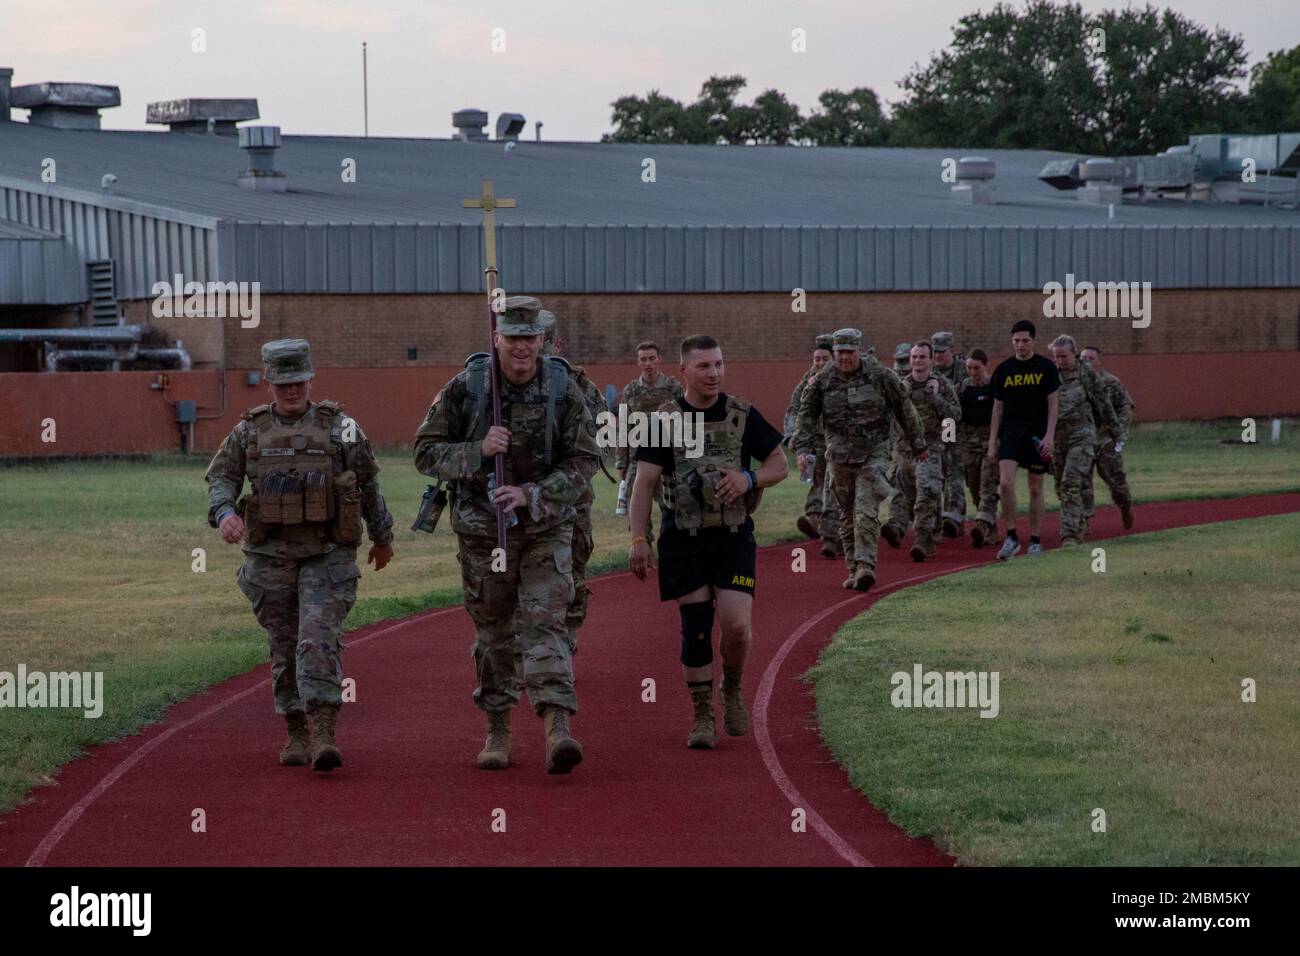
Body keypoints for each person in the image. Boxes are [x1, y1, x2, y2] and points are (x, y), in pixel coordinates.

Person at [413, 296, 599, 774]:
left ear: (542, 339)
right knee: (494, 633)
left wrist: (532, 494)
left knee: (546, 620)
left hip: (545, 527)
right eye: (512, 337)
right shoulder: (467, 388)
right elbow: (425, 452)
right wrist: (476, 451)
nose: (521, 347)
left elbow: (584, 462)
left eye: (529, 337)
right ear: (496, 338)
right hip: (483, 532)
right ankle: (497, 728)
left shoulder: (563, 388)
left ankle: (557, 725)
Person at [205, 338, 394, 772]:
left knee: (317, 637)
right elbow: (221, 479)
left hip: (327, 553)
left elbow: (367, 486)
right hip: (270, 557)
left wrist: (382, 537)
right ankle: (295, 730)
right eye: (282, 383)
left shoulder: (340, 427)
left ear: (310, 378)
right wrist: (225, 513)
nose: (291, 391)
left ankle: (324, 730)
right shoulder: (248, 431)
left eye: (298, 382)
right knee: (284, 645)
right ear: (269, 383)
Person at [627, 334, 788, 750]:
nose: (714, 373)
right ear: (683, 370)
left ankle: (730, 688)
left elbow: (779, 464)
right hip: (684, 537)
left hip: (733, 536)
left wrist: (748, 477)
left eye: (718, 364)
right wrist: (638, 538)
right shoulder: (663, 420)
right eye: (704, 366)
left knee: (736, 625)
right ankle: (701, 712)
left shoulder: (740, 414)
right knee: (696, 629)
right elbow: (644, 484)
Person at [797, 328, 925, 589]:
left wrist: (917, 443)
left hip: (874, 453)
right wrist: (803, 449)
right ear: (834, 354)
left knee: (865, 508)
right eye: (840, 353)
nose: (845, 358)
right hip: (839, 455)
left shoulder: (880, 376)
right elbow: (806, 414)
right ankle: (854, 568)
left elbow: (905, 409)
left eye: (850, 352)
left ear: (859, 351)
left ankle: (866, 565)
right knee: (845, 512)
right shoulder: (823, 381)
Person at [540, 312, 609, 656]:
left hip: (573, 501)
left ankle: (566, 634)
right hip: (521, 502)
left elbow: (605, 439)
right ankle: (526, 648)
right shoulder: (496, 384)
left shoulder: (580, 386)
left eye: (543, 341)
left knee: (573, 573)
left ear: (556, 344)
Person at [988, 320, 1059, 559]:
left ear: (1033, 341)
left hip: (1037, 437)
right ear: (1012, 342)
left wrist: (1050, 436)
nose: (1020, 345)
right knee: (1006, 484)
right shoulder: (1004, 370)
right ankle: (1011, 537)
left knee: (1035, 488)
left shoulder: (1046, 367)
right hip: (1010, 434)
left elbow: (1053, 404)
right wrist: (991, 443)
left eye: (1025, 340)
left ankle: (1036, 540)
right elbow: (997, 409)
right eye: (1016, 341)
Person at [1049, 335, 1121, 547]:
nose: (1060, 361)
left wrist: (1115, 433)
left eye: (1064, 356)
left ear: (1074, 354)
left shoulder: (1086, 373)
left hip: (1082, 435)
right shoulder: (1050, 375)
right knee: (1061, 487)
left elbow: (1103, 404)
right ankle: (1078, 521)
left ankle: (1069, 534)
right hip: (1057, 438)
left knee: (1070, 482)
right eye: (1056, 356)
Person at [890, 342, 960, 562]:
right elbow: (890, 417)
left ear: (930, 360)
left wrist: (936, 397)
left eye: (922, 357)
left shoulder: (941, 384)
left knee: (926, 490)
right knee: (912, 496)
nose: (918, 361)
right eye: (914, 357)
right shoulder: (902, 387)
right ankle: (935, 526)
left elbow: (955, 416)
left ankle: (922, 538)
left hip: (931, 448)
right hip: (905, 451)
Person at [617, 341, 682, 542]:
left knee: (671, 508)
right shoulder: (630, 391)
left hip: (667, 460)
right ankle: (643, 550)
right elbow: (623, 428)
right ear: (638, 362)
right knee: (637, 511)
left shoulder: (674, 388)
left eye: (652, 358)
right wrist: (622, 462)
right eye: (643, 359)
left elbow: (683, 425)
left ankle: (670, 550)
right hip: (638, 460)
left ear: (659, 359)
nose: (648, 364)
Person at [783, 333, 840, 556]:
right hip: (815, 441)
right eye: (816, 359)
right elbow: (794, 409)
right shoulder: (807, 381)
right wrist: (791, 436)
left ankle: (837, 529)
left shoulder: (842, 379)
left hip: (839, 443)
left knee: (834, 485)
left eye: (824, 359)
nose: (819, 363)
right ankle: (815, 519)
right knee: (817, 479)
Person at [1079, 346, 1135, 531]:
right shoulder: (1074, 383)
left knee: (1115, 480)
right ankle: (1083, 520)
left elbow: (1125, 406)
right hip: (1082, 439)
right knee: (1081, 481)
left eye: (1091, 358)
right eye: (1083, 358)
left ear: (1098, 361)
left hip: (1105, 439)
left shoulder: (1110, 382)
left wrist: (1119, 432)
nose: (1086, 361)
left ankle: (1125, 505)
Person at [958, 349, 1001, 547]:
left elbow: (1002, 414)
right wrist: (949, 441)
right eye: (969, 367)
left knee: (988, 485)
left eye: (977, 367)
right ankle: (990, 526)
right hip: (968, 445)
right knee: (974, 486)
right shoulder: (962, 387)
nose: (973, 372)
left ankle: (981, 526)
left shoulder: (994, 386)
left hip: (991, 442)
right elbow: (952, 415)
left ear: (985, 365)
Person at [930, 332, 967, 538]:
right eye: (935, 352)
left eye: (942, 352)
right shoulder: (931, 371)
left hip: (956, 426)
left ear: (951, 350)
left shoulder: (961, 370)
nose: (938, 356)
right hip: (938, 428)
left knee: (954, 470)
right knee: (938, 471)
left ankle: (954, 517)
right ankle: (939, 520)